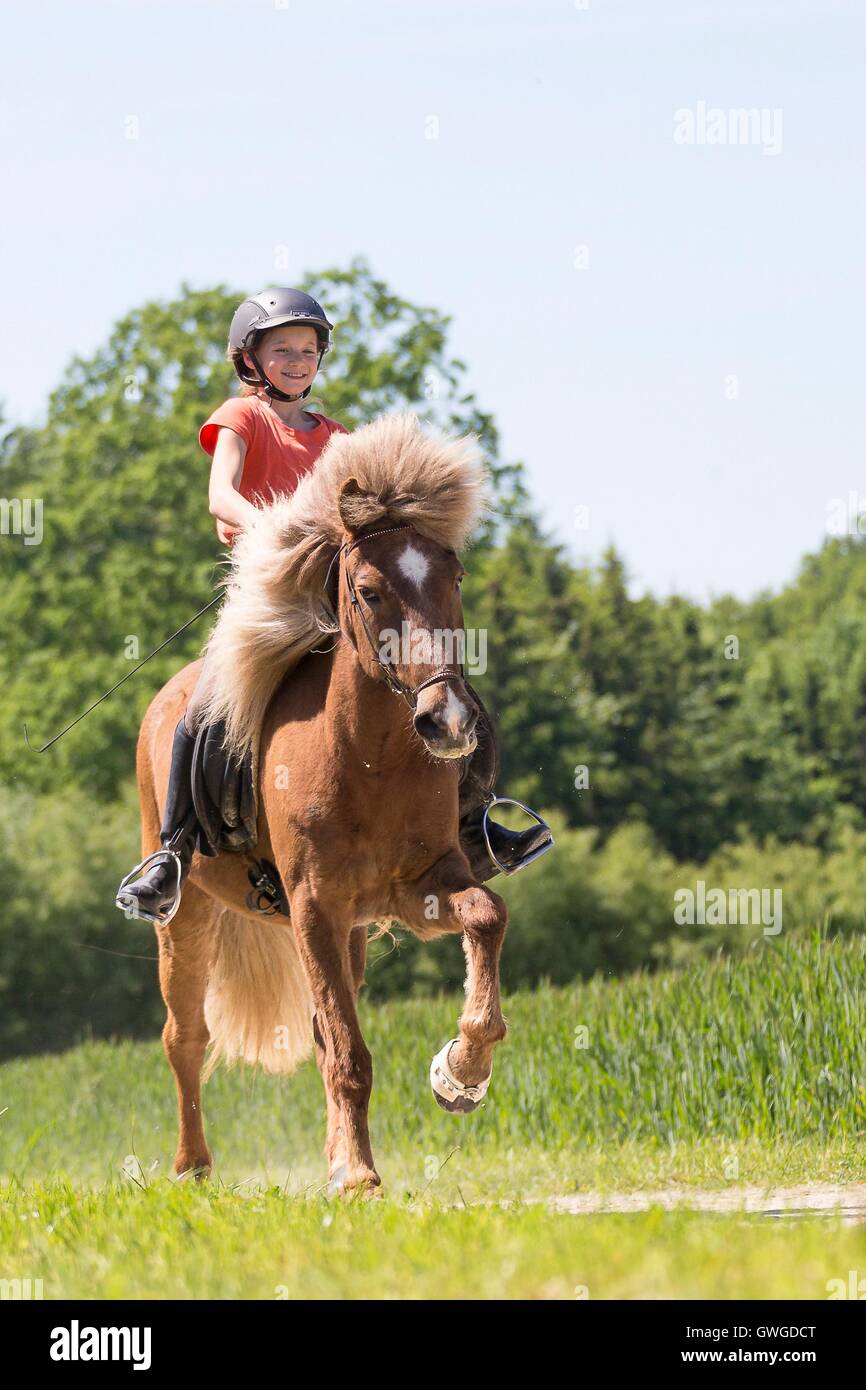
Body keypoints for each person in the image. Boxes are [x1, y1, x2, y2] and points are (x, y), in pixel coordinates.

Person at [116, 288, 552, 926]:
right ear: (251, 358)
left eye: (308, 350)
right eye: (282, 350)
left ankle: (475, 822)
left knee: (444, 680)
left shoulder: (339, 437)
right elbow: (221, 497)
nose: (297, 361)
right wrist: (271, 526)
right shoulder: (240, 418)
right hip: (269, 591)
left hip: (335, 595)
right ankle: (173, 853)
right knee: (204, 706)